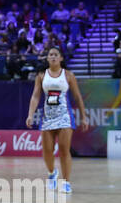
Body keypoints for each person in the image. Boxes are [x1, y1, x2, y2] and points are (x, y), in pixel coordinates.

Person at [25, 47, 86, 194]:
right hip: (48, 117)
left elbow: (77, 97)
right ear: (47, 59)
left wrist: (83, 116)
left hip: (64, 116)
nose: (52, 57)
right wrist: (30, 115)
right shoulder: (41, 75)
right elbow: (35, 96)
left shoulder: (69, 75)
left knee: (64, 149)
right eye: (50, 55)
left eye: (55, 55)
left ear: (61, 58)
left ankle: (66, 182)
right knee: (47, 151)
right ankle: (52, 173)